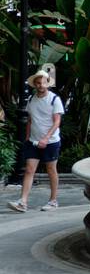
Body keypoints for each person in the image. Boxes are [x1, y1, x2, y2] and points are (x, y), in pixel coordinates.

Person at [8, 71, 63, 213]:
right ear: (35, 84)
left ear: (48, 83)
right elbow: (30, 120)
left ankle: (53, 200)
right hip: (33, 141)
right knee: (29, 170)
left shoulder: (54, 99)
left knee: (51, 170)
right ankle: (23, 202)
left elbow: (57, 122)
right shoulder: (31, 99)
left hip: (51, 141)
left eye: (43, 82)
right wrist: (27, 137)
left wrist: (46, 138)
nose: (40, 85)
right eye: (38, 83)